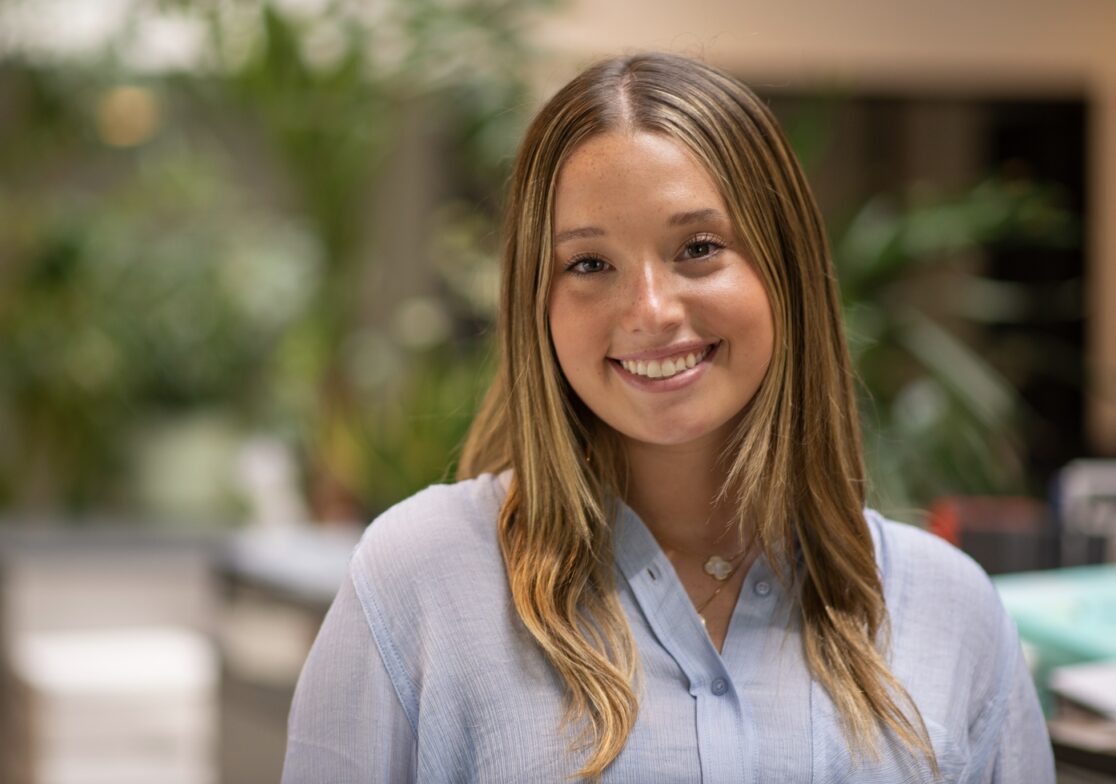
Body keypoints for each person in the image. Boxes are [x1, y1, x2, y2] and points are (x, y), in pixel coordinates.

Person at [281, 52, 1054, 783]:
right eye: (589, 264)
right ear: (534, 305)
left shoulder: (951, 615)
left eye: (699, 248)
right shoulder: (419, 584)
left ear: (785, 272)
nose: (650, 311)